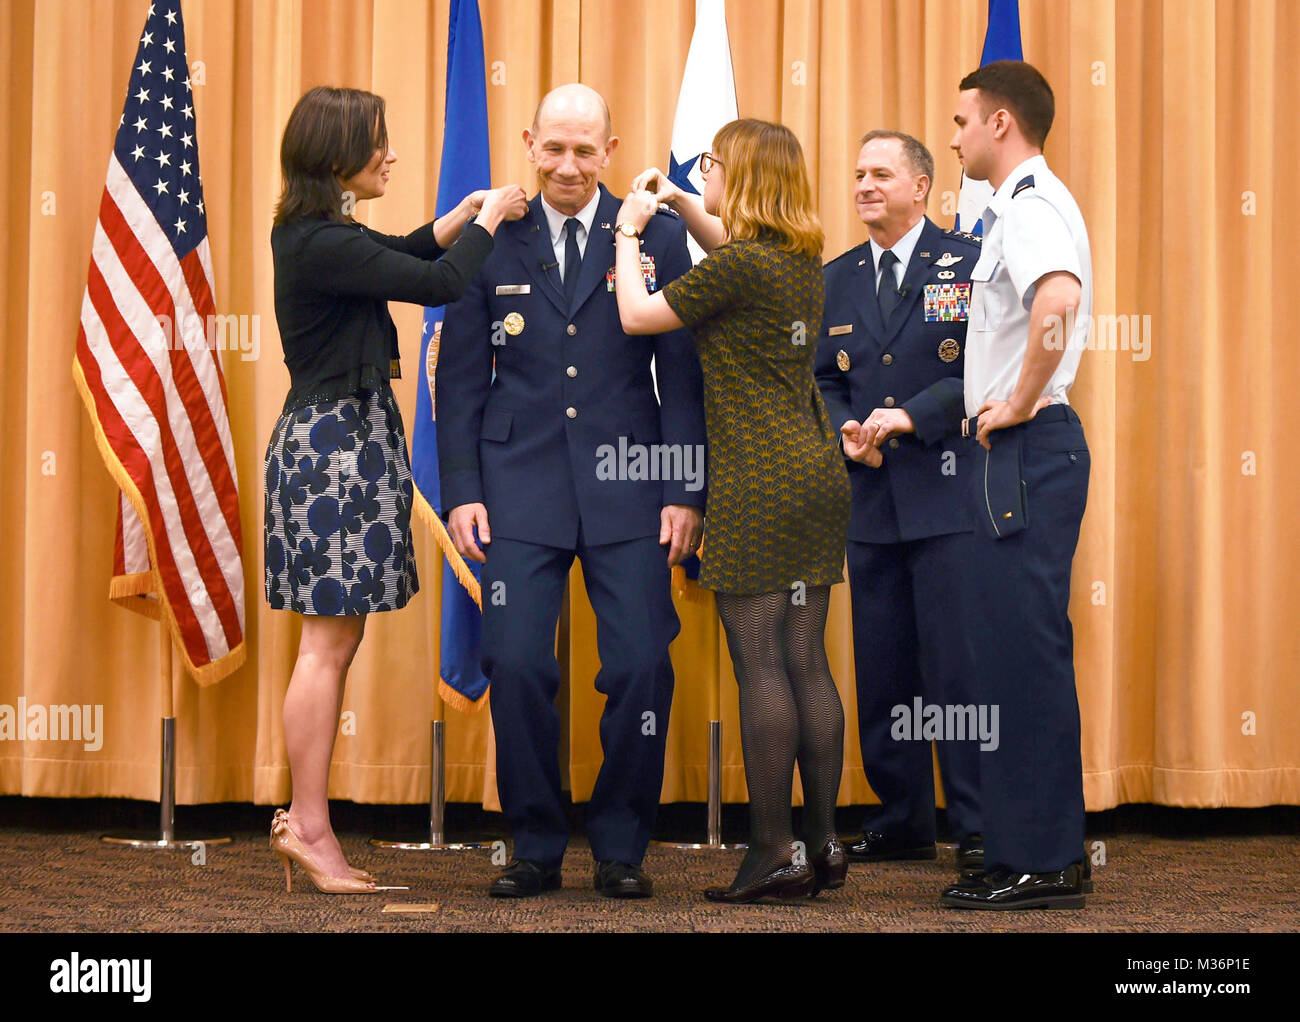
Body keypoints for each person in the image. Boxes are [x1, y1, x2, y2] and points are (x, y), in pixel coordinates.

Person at [436, 84, 707, 900]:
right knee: (515, 662)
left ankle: (622, 845)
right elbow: (458, 380)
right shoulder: (492, 236)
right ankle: (534, 841)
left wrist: (684, 487)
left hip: (632, 490)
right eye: (553, 148)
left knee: (639, 670)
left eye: (585, 150)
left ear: (611, 151)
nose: (567, 165)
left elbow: (683, 373)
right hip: (517, 489)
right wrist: (462, 491)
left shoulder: (656, 232)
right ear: (528, 143)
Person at [264, 85, 525, 894]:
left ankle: (306, 821)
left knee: (333, 642)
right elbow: (441, 282)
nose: (393, 156)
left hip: (348, 439)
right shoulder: (317, 242)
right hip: (332, 450)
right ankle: (308, 826)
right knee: (326, 644)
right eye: (379, 144)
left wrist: (456, 219)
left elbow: (405, 253)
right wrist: (486, 222)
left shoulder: (322, 235)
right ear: (339, 154)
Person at [615, 118, 852, 904]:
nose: (702, 172)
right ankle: (821, 844)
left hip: (758, 477)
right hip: (815, 469)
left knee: (760, 664)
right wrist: (683, 201)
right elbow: (724, 243)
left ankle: (771, 850)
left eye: (710, 165)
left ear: (740, 175)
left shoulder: (743, 266)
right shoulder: (796, 257)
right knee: (806, 658)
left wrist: (628, 230)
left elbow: (636, 316)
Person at [939, 60, 1094, 910]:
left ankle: (1038, 859)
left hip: (1028, 447)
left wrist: (1019, 400)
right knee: (1011, 656)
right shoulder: (1017, 208)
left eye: (963, 121)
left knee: (1022, 660)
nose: (955, 136)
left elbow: (1058, 302)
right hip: (1021, 454)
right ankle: (1036, 850)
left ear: (1001, 123)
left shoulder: (1030, 206)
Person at [815, 131, 985, 872]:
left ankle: (978, 822)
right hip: (872, 498)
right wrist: (843, 431)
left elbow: (988, 367)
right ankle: (901, 816)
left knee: (957, 669)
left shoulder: (969, 264)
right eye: (857, 174)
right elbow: (821, 375)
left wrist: (911, 415)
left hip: (949, 494)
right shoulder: (837, 277)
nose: (864, 185)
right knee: (884, 667)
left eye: (881, 174)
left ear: (922, 187)